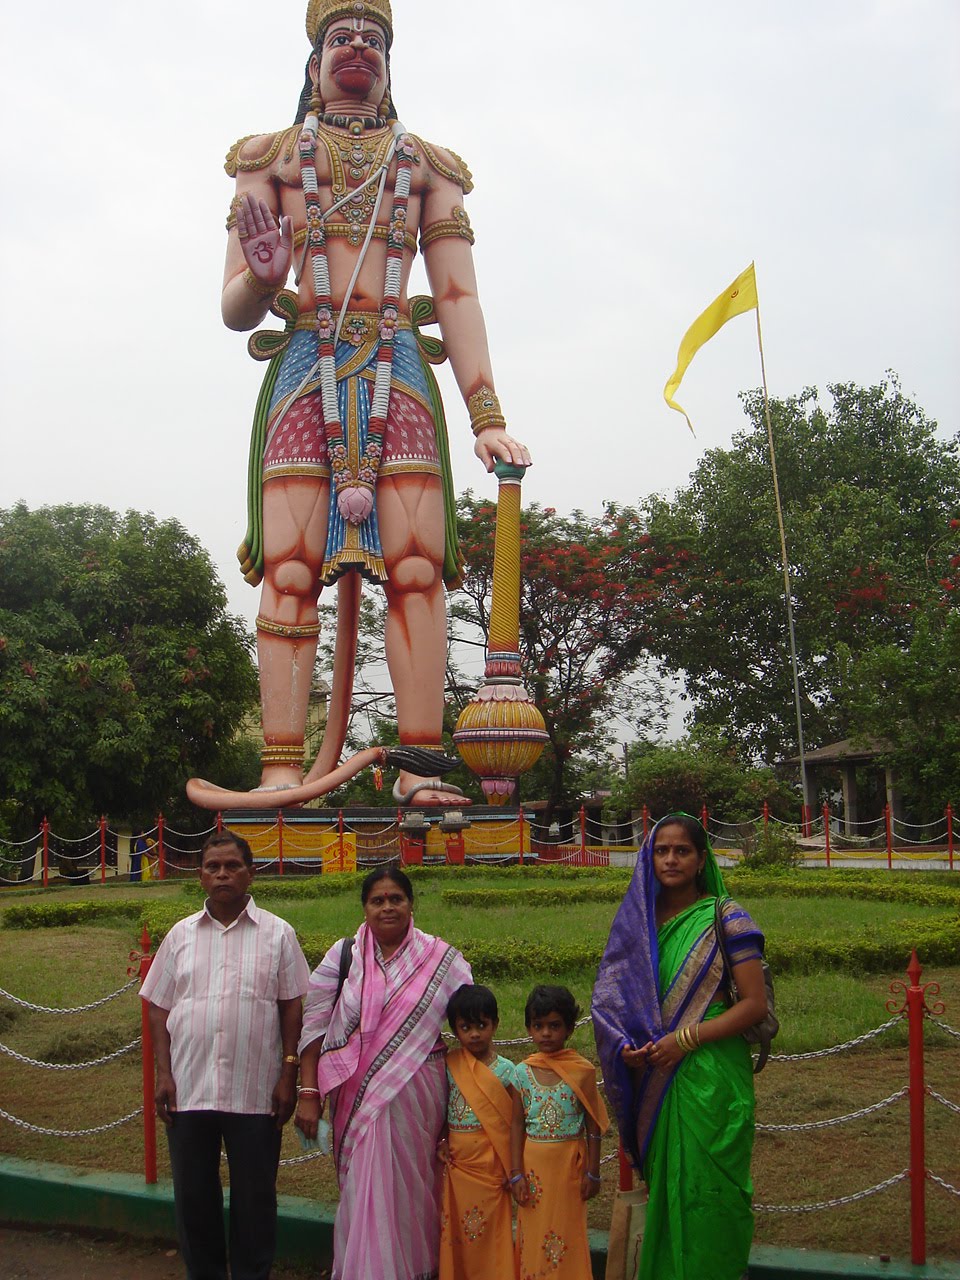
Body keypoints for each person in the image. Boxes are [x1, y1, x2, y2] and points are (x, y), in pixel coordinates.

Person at [222, 0, 531, 804]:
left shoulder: (428, 167)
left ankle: (420, 770)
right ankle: (281, 767)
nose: (356, 47)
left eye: (373, 40)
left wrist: (487, 416)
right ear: (313, 63)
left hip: (399, 370)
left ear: (390, 67)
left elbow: (457, 294)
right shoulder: (269, 160)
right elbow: (234, 308)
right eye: (340, 38)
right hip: (305, 368)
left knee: (417, 568)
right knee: (290, 570)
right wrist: (262, 275)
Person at [592, 814, 769, 1280]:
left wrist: (684, 1040)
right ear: (649, 859)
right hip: (657, 1074)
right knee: (669, 1192)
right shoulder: (637, 927)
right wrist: (626, 1049)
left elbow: (754, 1005)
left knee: (709, 1194)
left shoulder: (725, 917)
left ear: (701, 859)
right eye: (661, 851)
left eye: (682, 851)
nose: (671, 859)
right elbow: (618, 1003)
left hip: (711, 1077)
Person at [140, 831, 310, 1280]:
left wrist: (288, 1074)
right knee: (194, 1199)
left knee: (256, 1199)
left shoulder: (278, 934)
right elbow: (158, 1007)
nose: (222, 874)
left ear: (251, 873)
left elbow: (292, 1005)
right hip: (189, 1087)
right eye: (212, 867)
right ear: (200, 875)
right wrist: (164, 1073)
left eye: (232, 866)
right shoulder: (180, 936)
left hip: (254, 1091)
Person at [295, 866, 472, 1280]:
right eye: (378, 900)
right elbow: (314, 1027)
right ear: (365, 908)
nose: (388, 907)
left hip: (418, 1093)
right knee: (365, 1187)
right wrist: (309, 1092)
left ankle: (417, 1270)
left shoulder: (442, 959)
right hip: (355, 1097)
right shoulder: (343, 957)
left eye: (396, 899)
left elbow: (471, 1023)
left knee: (415, 1186)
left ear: (411, 904)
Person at [511, 984, 608, 1280]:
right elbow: (516, 1125)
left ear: (569, 1028)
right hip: (533, 1171)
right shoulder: (521, 1073)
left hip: (569, 1169)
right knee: (534, 1233)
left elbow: (593, 1126)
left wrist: (593, 1172)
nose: (546, 1033)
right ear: (528, 1028)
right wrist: (515, 1174)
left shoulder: (582, 1071)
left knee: (567, 1233)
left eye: (554, 1026)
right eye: (538, 1026)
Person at [437, 983, 517, 1280]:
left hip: (492, 1166)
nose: (474, 1034)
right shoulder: (450, 1065)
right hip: (459, 1165)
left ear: (495, 1024)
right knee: (459, 1230)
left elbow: (514, 1123)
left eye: (481, 1025)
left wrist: (513, 1166)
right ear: (455, 1030)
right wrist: (442, 1139)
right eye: (466, 1027)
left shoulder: (508, 1071)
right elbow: (442, 1108)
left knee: (492, 1231)